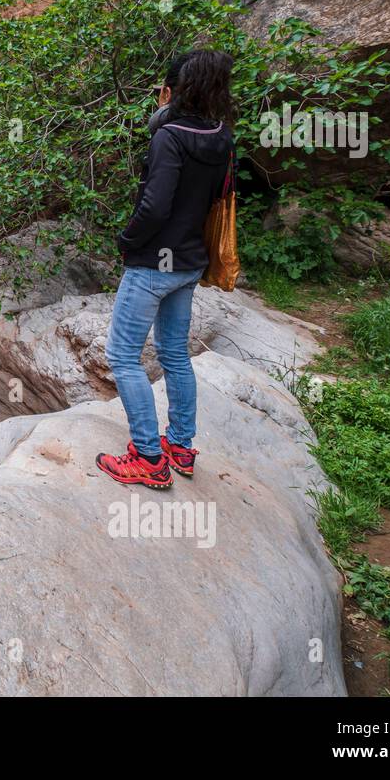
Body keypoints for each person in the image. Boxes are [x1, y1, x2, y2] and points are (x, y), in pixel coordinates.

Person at [96, 50, 235, 489]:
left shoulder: (169, 137)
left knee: (122, 355)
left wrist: (127, 241)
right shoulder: (222, 137)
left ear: (171, 91)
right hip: (190, 263)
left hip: (154, 263)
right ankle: (180, 445)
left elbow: (155, 206)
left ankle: (149, 458)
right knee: (174, 353)